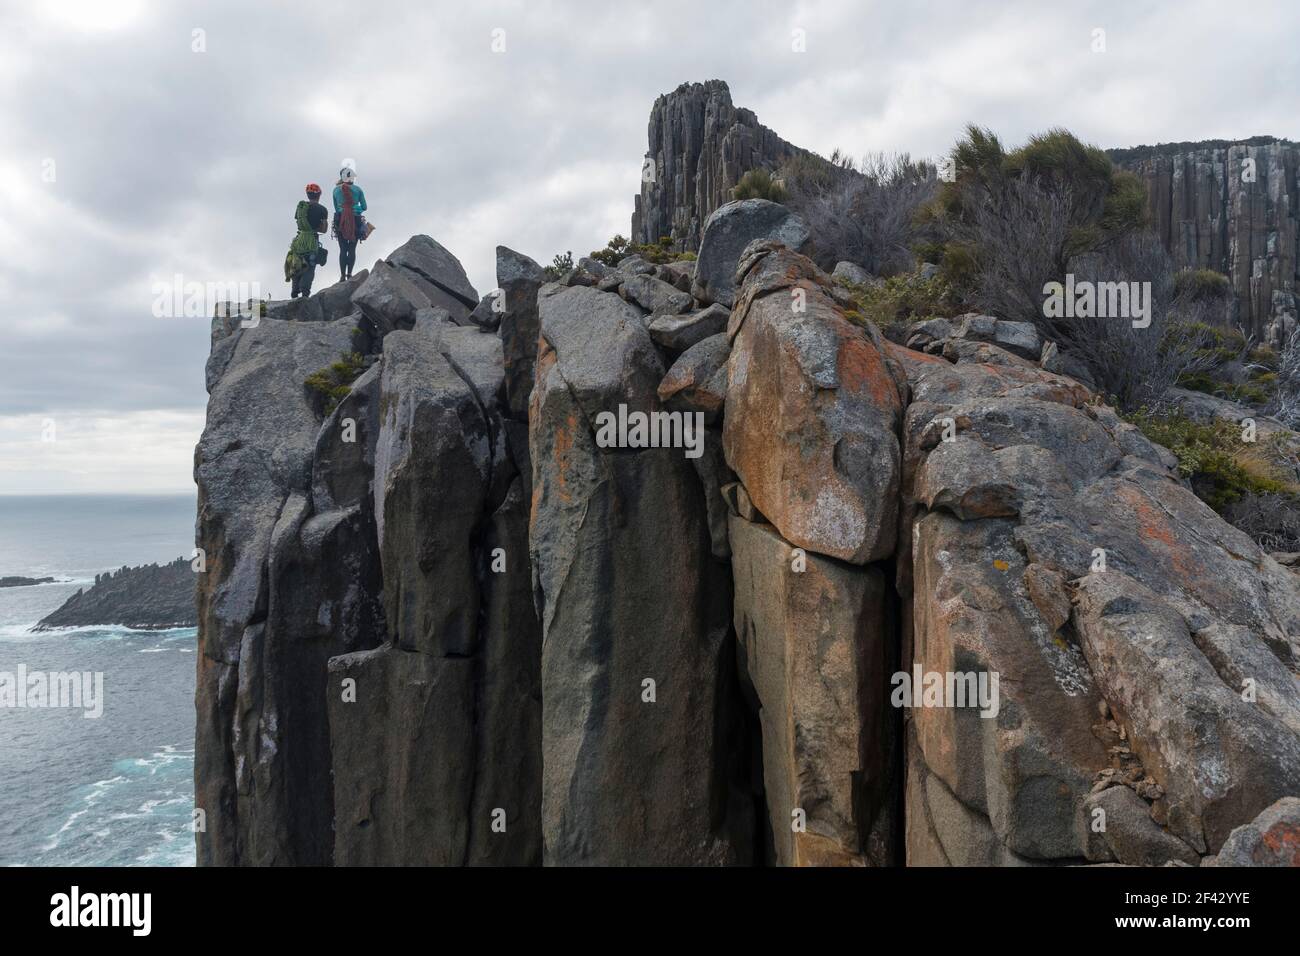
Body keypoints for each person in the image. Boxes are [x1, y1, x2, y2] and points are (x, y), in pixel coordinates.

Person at [332, 161, 374, 282]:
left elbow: (336, 208)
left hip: (340, 220)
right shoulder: (358, 190)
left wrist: (345, 210)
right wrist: (356, 209)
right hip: (356, 220)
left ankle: (342, 276)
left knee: (342, 249)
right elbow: (365, 207)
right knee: (352, 249)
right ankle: (349, 274)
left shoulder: (335, 190)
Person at [285, 184, 328, 298]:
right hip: (312, 242)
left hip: (299, 241)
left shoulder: (301, 207)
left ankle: (294, 291)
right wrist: (315, 228)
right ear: (319, 195)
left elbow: (299, 225)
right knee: (309, 266)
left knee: (297, 264)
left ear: (307, 195)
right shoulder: (322, 210)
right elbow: (324, 229)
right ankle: (305, 293)